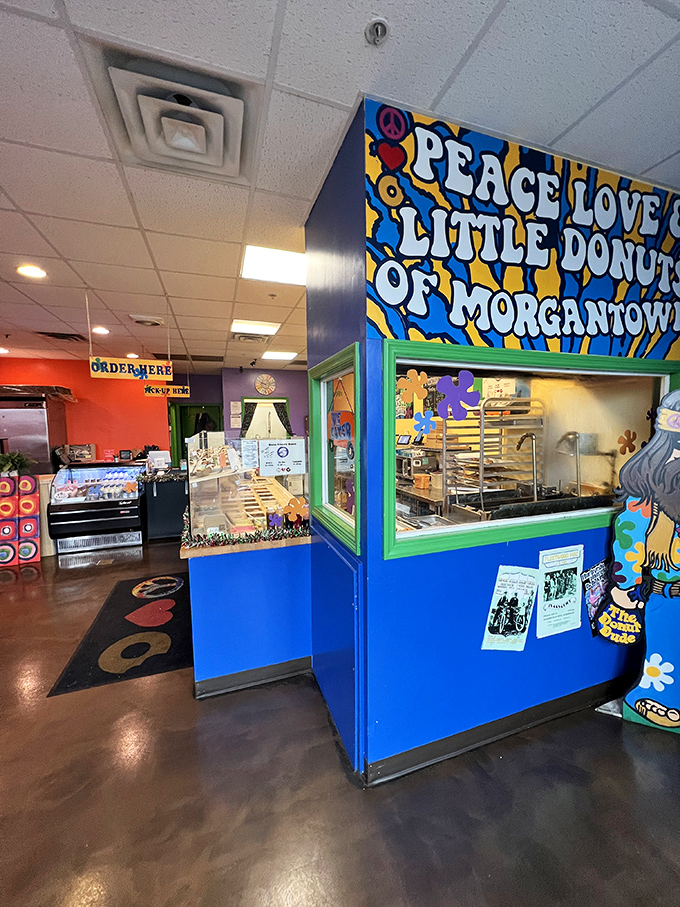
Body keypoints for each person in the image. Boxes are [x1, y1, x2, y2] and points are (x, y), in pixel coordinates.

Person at [603, 390, 680, 731]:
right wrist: (626, 588)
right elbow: (629, 537)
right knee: (663, 655)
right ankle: (657, 703)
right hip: (664, 596)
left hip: (664, 595)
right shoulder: (645, 498)